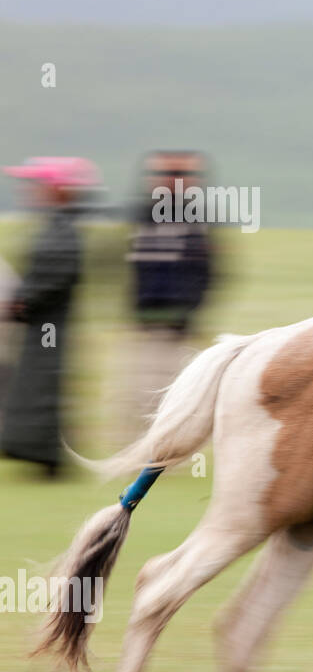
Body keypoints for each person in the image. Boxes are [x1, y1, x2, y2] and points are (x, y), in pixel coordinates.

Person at [1, 157, 98, 477]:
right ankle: (37, 450)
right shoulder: (57, 226)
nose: (30, 192)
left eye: (37, 185)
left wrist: (21, 301)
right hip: (45, 323)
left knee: (43, 380)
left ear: (55, 190)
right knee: (37, 381)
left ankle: (46, 455)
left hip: (48, 326)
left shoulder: (61, 231)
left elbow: (55, 272)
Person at [120, 150, 213, 440]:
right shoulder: (146, 216)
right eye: (164, 175)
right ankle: (149, 448)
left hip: (178, 321)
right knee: (145, 389)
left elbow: (207, 270)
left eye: (180, 175)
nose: (171, 181)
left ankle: (165, 449)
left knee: (173, 388)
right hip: (149, 320)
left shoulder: (194, 218)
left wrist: (190, 308)